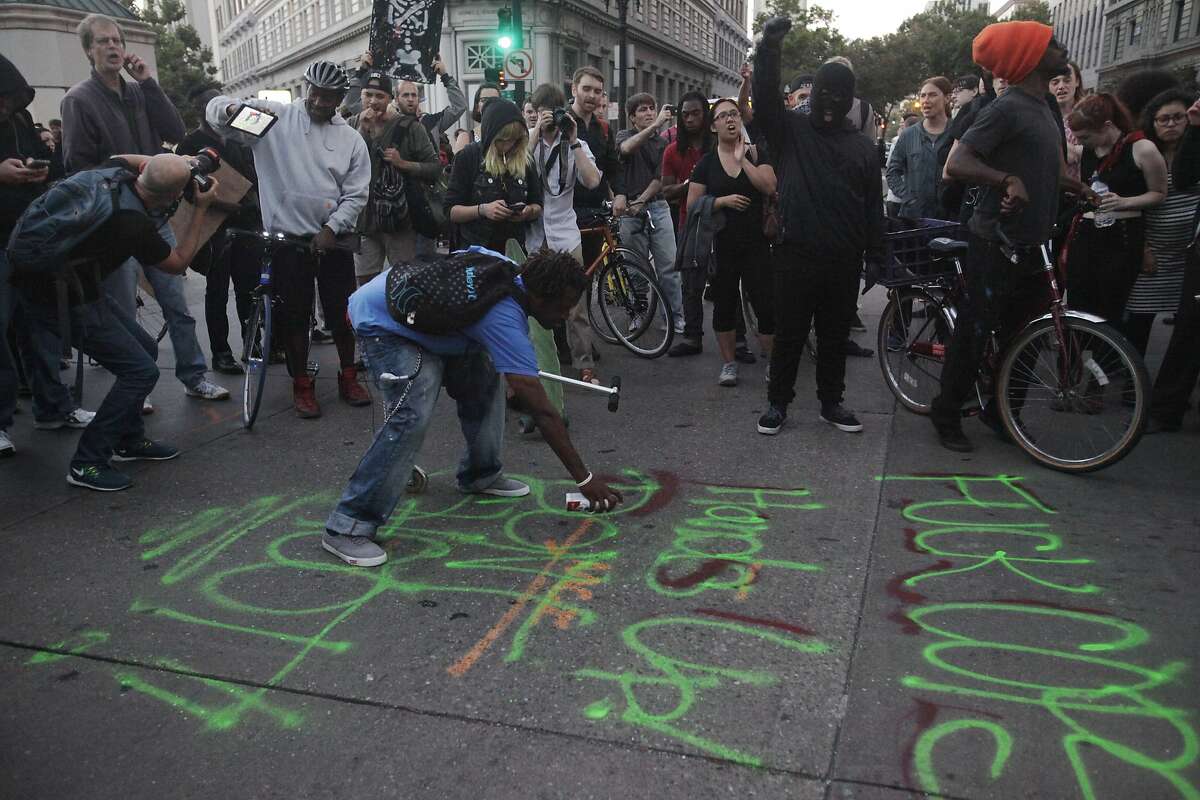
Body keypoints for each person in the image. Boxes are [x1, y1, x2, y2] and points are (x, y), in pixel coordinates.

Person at [322, 248, 623, 567]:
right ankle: (348, 525)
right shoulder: (504, 315)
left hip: (422, 318)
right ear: (540, 297)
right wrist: (585, 479)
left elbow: (460, 256)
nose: (565, 316)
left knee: (483, 372)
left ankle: (481, 474)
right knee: (414, 406)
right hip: (383, 323)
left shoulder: (507, 268)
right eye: (563, 308)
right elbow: (543, 412)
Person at [931, 21, 1093, 452]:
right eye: (1050, 45)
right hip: (995, 241)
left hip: (1035, 241)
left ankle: (1002, 413)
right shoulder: (1005, 108)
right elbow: (956, 164)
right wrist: (1005, 179)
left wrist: (1077, 188)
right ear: (1030, 58)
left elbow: (1053, 172)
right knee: (976, 331)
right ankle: (945, 413)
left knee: (1025, 334)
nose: (1061, 49)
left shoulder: (1046, 109)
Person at [12, 154, 219, 490]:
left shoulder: (110, 174)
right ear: (172, 196)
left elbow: (126, 157)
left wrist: (177, 165)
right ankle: (87, 462)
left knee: (145, 347)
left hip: (70, 284)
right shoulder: (132, 224)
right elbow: (177, 262)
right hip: (62, 300)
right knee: (141, 371)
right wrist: (201, 209)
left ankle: (128, 438)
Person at [60, 13, 229, 405]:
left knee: (176, 303)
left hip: (155, 216)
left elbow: (174, 132)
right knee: (123, 312)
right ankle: (135, 388)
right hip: (115, 221)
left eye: (117, 40)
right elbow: (77, 168)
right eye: (103, 41)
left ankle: (194, 375)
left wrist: (149, 82)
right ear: (89, 49)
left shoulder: (138, 91)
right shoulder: (78, 100)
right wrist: (132, 167)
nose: (113, 47)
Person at [208, 60, 373, 418]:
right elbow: (215, 113)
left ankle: (348, 374)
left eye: (328, 97)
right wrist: (232, 108)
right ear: (306, 88)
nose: (319, 102)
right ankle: (301, 383)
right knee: (294, 316)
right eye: (315, 93)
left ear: (340, 98)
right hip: (287, 240)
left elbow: (357, 194)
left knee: (343, 314)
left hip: (332, 239)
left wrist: (333, 228)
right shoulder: (274, 121)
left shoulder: (350, 139)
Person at [753, 18, 885, 436]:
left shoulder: (864, 148)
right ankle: (778, 402)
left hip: (844, 260)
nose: (830, 101)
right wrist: (770, 49)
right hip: (795, 254)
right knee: (790, 335)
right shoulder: (791, 131)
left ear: (850, 100)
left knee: (833, 338)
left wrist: (878, 257)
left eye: (839, 94)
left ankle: (832, 402)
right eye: (824, 91)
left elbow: (872, 208)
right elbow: (766, 100)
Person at [1, 54, 93, 458]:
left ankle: (53, 406)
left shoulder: (18, 119)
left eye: (9, 99)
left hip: (27, 234)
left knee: (39, 326)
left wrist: (37, 170)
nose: (4, 108)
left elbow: (44, 158)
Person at [686, 98, 776, 387]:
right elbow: (692, 204)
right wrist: (721, 201)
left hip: (757, 244)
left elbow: (769, 187)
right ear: (713, 126)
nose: (730, 120)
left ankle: (774, 363)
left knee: (766, 305)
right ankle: (728, 364)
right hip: (722, 245)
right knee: (724, 304)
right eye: (723, 116)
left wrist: (743, 162)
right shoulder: (706, 164)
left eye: (734, 114)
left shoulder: (757, 153)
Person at [176, 88, 260, 376]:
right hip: (214, 228)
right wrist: (226, 204)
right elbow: (187, 189)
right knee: (217, 292)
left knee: (249, 289)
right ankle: (221, 353)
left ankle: (254, 345)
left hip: (247, 223)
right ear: (203, 110)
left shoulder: (237, 138)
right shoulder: (191, 142)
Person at [1064, 93, 1167, 327]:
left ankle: (1106, 358)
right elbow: (1067, 151)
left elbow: (1159, 193)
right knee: (1079, 303)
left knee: (1110, 304)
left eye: (1086, 137)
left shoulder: (1142, 149)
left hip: (1122, 235)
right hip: (1087, 232)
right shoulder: (1087, 151)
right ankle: (1077, 358)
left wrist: (1124, 202)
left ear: (1107, 126)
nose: (1082, 142)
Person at [344, 63, 440, 286]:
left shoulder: (411, 128)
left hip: (400, 221)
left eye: (380, 96)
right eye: (369, 95)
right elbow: (343, 165)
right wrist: (363, 132)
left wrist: (403, 163)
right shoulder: (350, 125)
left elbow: (434, 168)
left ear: (389, 99)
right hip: (364, 222)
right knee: (365, 283)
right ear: (361, 96)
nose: (373, 102)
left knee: (402, 281)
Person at [1124, 89, 1199, 356]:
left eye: (1178, 117)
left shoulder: (1195, 154)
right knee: (1138, 324)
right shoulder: (1143, 154)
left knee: (1186, 331)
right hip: (1154, 254)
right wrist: (1143, 249)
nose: (1170, 124)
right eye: (1163, 119)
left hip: (1190, 257)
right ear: (1152, 123)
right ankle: (1131, 384)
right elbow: (1134, 207)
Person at [567, 66, 626, 385]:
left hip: (594, 213)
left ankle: (581, 339)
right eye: (586, 89)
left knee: (586, 282)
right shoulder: (564, 124)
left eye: (597, 91)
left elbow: (613, 167)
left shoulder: (603, 129)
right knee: (572, 284)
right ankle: (578, 352)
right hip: (564, 215)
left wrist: (621, 195)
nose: (591, 96)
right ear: (574, 88)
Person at [615, 93, 683, 331]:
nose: (649, 113)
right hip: (629, 212)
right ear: (632, 117)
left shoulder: (664, 144)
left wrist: (642, 201)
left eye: (652, 109)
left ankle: (674, 317)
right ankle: (638, 314)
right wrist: (655, 126)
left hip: (656, 206)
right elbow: (625, 149)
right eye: (643, 110)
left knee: (669, 266)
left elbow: (659, 178)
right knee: (636, 268)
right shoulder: (624, 135)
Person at [445, 98, 542, 253]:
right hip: (476, 250)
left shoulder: (525, 158)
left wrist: (527, 212)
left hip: (513, 249)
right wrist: (482, 210)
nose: (508, 145)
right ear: (491, 136)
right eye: (502, 140)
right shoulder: (468, 156)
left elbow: (537, 203)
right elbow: (450, 210)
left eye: (515, 140)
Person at [662, 92, 712, 356]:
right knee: (691, 284)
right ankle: (693, 337)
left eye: (695, 113)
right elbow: (666, 191)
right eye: (685, 115)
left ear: (705, 115)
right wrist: (691, 184)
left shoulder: (717, 146)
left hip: (721, 221)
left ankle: (738, 340)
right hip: (688, 223)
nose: (690, 119)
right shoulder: (672, 151)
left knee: (726, 281)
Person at [526, 84, 600, 261]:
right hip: (534, 238)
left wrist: (573, 140)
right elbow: (516, 170)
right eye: (544, 112)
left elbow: (592, 182)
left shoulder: (576, 144)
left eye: (553, 112)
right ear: (536, 112)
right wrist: (537, 132)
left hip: (566, 237)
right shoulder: (526, 139)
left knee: (573, 288)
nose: (549, 118)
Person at [887, 77, 953, 220]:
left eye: (932, 95)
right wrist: (908, 197)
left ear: (947, 98)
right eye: (923, 95)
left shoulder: (958, 133)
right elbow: (892, 172)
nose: (926, 100)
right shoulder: (908, 135)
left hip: (948, 219)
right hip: (913, 219)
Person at [1051, 61, 1085, 184]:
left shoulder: (1089, 114)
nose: (1061, 86)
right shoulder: (1040, 116)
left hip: (1082, 189)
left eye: (1067, 80)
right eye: (1055, 82)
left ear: (1077, 82)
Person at [454, 83, 501, 153]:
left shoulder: (509, 136)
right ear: (477, 106)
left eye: (494, 100)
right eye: (484, 100)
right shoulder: (466, 138)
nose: (489, 103)